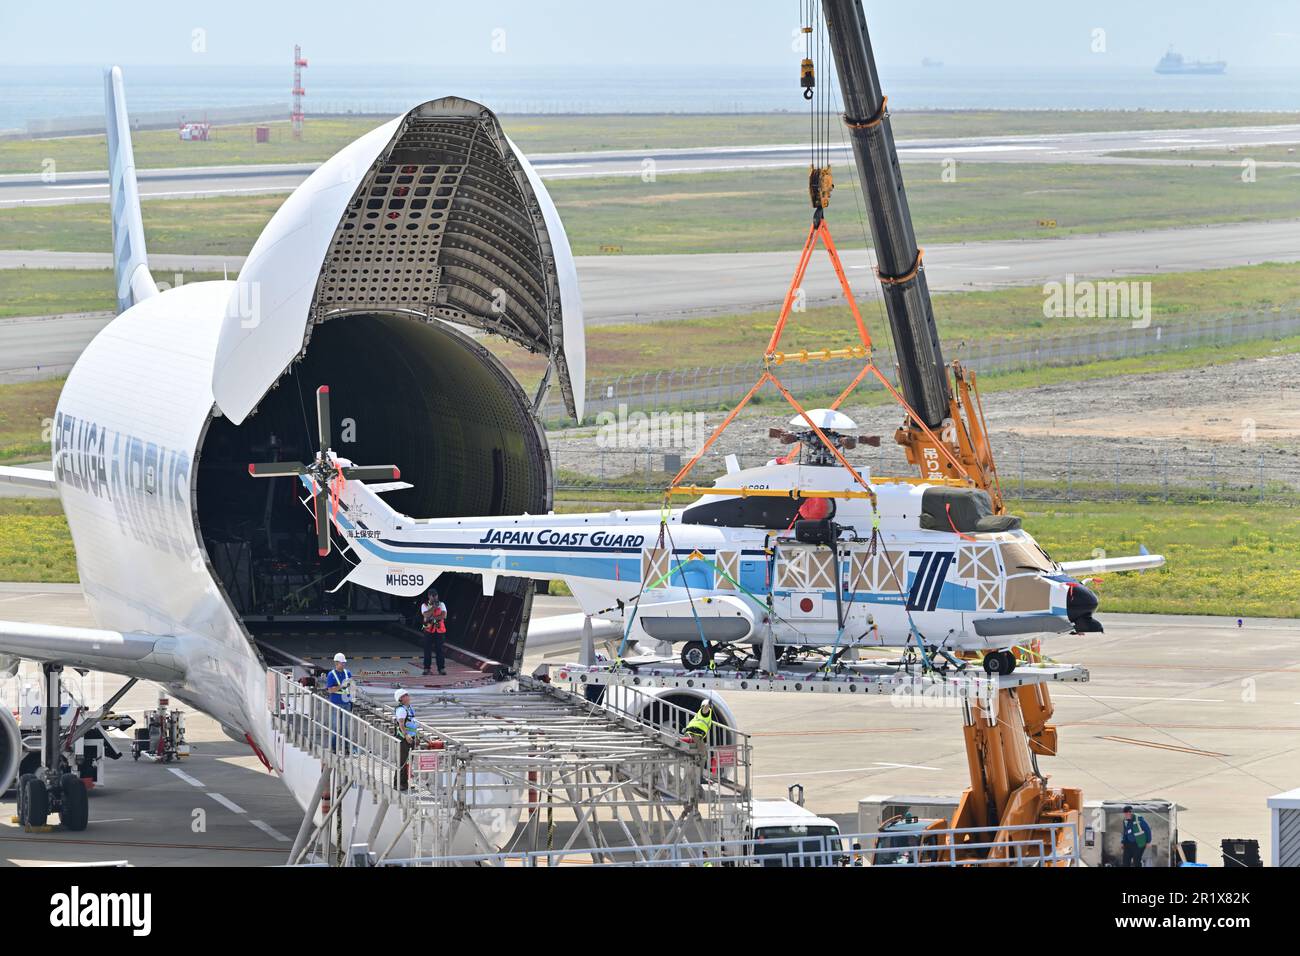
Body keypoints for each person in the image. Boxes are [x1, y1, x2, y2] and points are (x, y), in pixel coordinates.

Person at [324, 653, 353, 751]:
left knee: (345, 727)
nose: (343, 664)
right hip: (335, 704)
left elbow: (351, 687)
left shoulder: (347, 673)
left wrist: (352, 700)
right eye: (342, 662)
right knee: (336, 727)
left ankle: (346, 748)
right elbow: (330, 690)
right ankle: (333, 748)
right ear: (336, 663)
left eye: (344, 663)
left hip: (346, 703)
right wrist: (341, 686)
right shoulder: (331, 674)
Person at [394, 689, 418, 791]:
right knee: (402, 761)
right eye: (405, 695)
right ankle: (398, 784)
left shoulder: (409, 708)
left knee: (408, 762)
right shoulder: (401, 710)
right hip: (404, 738)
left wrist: (415, 736)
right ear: (401, 699)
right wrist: (406, 735)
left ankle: (405, 783)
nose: (408, 696)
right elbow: (401, 724)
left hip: (411, 737)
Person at [420, 589, 447, 676]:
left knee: (440, 650)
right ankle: (426, 668)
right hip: (428, 630)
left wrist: (433, 618)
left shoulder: (442, 604)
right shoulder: (424, 605)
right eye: (433, 596)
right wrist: (434, 608)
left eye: (436, 596)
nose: (435, 598)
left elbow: (444, 615)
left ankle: (441, 668)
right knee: (427, 650)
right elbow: (426, 615)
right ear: (429, 596)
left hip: (439, 630)